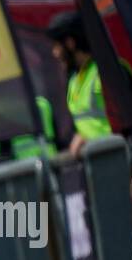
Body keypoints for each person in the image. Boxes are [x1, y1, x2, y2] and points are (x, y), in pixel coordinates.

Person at [47, 11, 111, 158]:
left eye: (57, 46)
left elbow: (131, 120)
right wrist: (82, 136)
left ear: (70, 43)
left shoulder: (105, 72)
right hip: (97, 163)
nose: (54, 53)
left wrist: (88, 139)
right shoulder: (74, 80)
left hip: (116, 160)